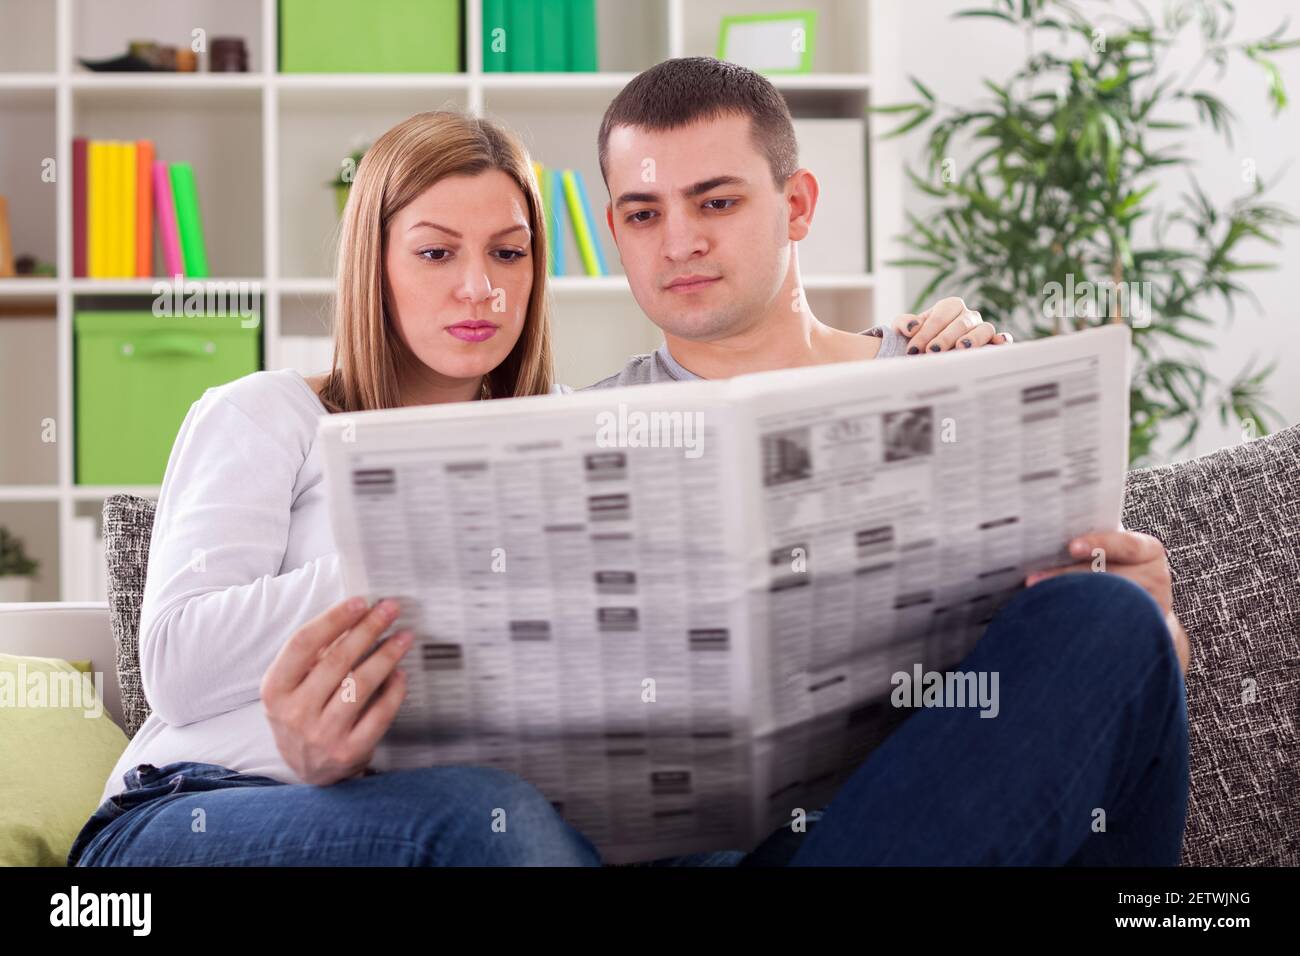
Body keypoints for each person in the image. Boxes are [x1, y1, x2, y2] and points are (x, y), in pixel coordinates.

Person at [68, 63, 1182, 868]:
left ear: (794, 206)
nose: (477, 290)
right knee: (501, 819)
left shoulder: (557, 430)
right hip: (240, 801)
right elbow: (176, 659)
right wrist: (426, 545)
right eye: (436, 253)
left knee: (1110, 624)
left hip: (866, 817)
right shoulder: (279, 411)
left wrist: (1140, 613)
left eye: (508, 254)